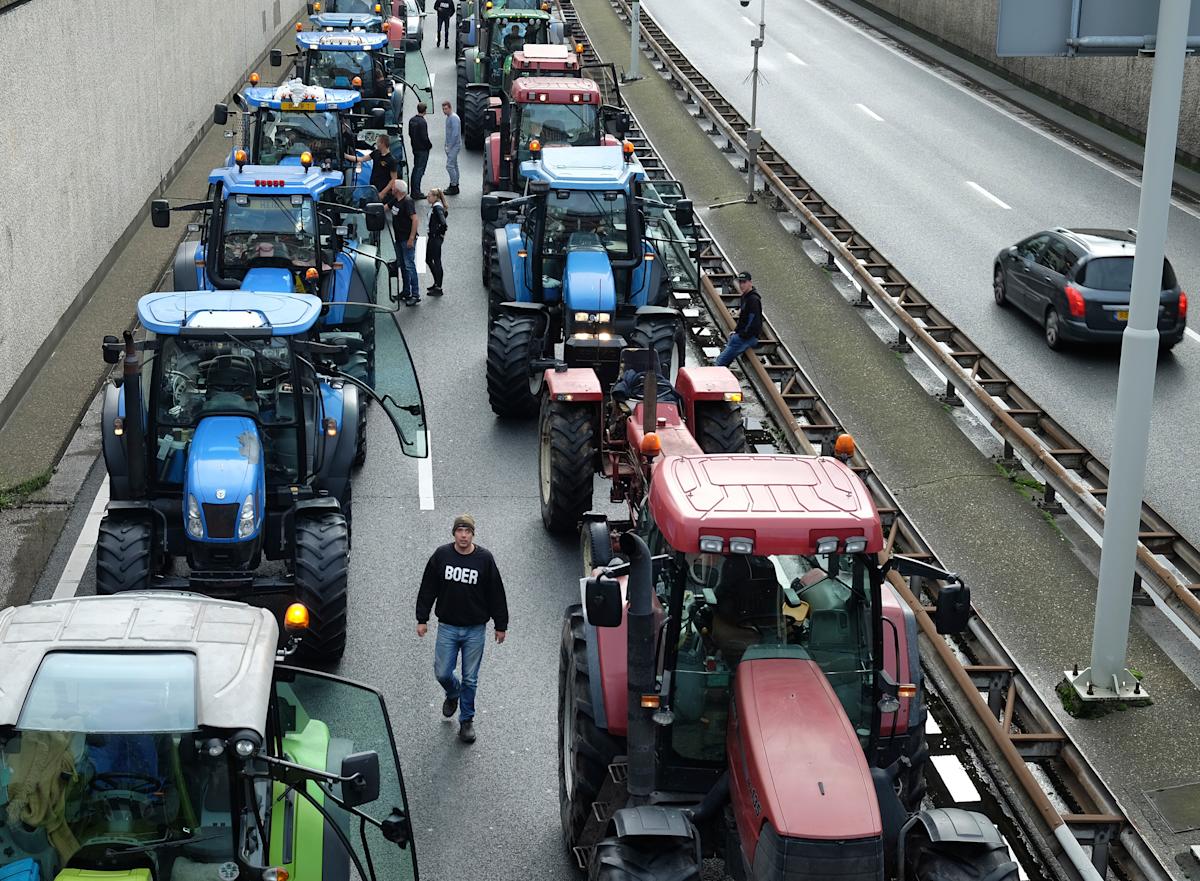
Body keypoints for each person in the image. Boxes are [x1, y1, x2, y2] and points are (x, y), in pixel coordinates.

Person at [416, 514, 509, 745]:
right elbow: (428, 587)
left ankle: (466, 721)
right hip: (447, 627)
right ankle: (452, 692)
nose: (464, 536)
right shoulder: (442, 555)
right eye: (460, 531)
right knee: (442, 673)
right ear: (454, 533)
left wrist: (501, 625)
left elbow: (496, 593)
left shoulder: (484, 559)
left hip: (475, 630)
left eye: (468, 531)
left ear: (473, 534)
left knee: (471, 678)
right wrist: (422, 618)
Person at [715, 271, 763, 367]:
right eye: (740, 282)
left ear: (750, 282)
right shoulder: (744, 297)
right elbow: (742, 319)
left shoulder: (753, 300)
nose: (741, 285)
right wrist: (736, 331)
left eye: (744, 282)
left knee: (719, 362)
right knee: (731, 341)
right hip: (743, 336)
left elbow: (754, 322)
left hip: (749, 338)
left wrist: (741, 335)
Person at [387, 179, 421, 304]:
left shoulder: (407, 202)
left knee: (409, 266)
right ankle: (406, 291)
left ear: (398, 190)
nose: (391, 188)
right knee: (403, 266)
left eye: (393, 186)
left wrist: (411, 238)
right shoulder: (396, 200)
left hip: (407, 240)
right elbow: (385, 208)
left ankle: (415, 294)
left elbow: (415, 220)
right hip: (399, 239)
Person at [425, 189, 448, 295]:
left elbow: (443, 223)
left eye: (429, 196)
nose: (427, 198)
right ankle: (436, 283)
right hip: (433, 237)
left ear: (435, 197)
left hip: (435, 238)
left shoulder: (437, 208)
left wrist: (438, 233)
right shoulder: (435, 207)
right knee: (428, 259)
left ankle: (439, 287)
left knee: (436, 261)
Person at [408, 102, 433, 199]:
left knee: (415, 169)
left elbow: (410, 133)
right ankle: (416, 192)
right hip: (422, 149)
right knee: (420, 170)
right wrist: (429, 145)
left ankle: (413, 190)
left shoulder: (412, 120)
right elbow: (424, 137)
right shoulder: (422, 122)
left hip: (415, 147)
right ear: (425, 110)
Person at [442, 100, 461, 195]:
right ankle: (455, 184)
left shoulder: (453, 118)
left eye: (446, 109)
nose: (444, 111)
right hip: (452, 145)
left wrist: (449, 146)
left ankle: (453, 185)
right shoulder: (450, 117)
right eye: (443, 109)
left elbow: (455, 134)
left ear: (450, 108)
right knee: (454, 165)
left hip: (454, 145)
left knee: (449, 166)